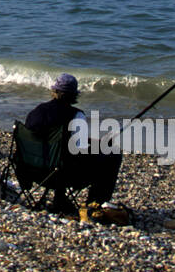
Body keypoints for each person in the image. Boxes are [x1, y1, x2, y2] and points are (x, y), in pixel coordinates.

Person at [26, 72, 121, 215]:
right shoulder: (76, 115)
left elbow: (55, 139)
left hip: (34, 170)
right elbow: (80, 150)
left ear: (54, 91)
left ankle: (60, 197)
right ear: (74, 95)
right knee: (113, 154)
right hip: (63, 175)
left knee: (61, 154)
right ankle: (95, 203)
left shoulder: (37, 111)